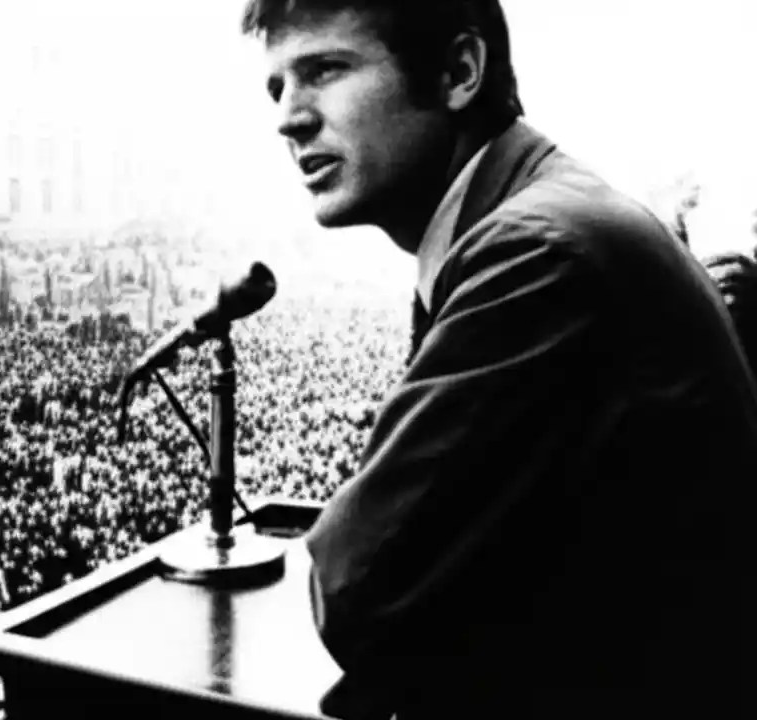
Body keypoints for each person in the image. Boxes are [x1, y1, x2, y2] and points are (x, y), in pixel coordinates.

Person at [242, 1, 757, 718]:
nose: (289, 117)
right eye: (277, 87)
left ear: (459, 72)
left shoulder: (535, 251)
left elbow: (362, 584)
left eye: (324, 70)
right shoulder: (537, 216)